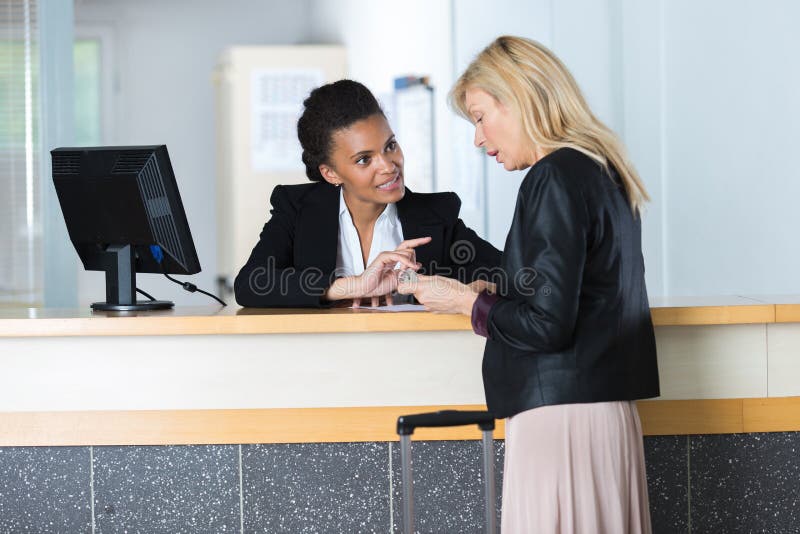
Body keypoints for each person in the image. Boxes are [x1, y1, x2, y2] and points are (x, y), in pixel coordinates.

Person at [399, 36, 660, 533]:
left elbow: (546, 325)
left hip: (560, 421)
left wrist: (464, 303)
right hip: (603, 416)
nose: (478, 139)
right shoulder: (600, 169)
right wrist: (491, 287)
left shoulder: (551, 176)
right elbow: (577, 289)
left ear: (517, 98)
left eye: (479, 116)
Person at [234, 79, 501, 308]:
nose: (388, 166)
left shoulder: (435, 214)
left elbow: (516, 275)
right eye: (364, 159)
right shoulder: (297, 208)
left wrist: (471, 289)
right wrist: (354, 286)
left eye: (390, 146)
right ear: (331, 173)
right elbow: (251, 284)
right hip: (319, 361)